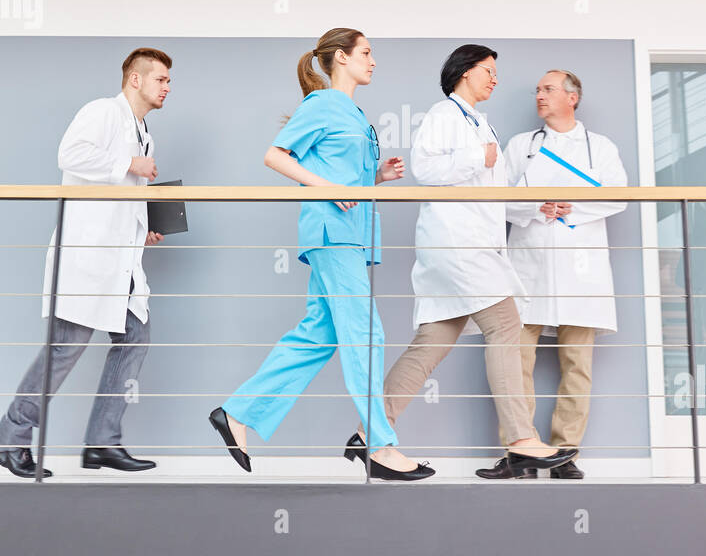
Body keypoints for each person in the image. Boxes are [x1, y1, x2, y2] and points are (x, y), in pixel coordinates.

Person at [209, 28, 434, 482]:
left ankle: (237, 413)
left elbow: (340, 178)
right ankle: (380, 445)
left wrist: (376, 176)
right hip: (335, 236)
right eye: (366, 53)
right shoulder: (325, 105)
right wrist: (326, 186)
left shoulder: (350, 110)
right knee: (365, 335)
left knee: (318, 335)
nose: (373, 61)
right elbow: (275, 155)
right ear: (340, 58)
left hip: (349, 235)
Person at [383, 44, 578, 478]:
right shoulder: (442, 116)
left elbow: (495, 195)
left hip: (468, 248)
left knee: (430, 344)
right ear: (464, 72)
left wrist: (535, 206)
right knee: (506, 325)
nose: (495, 79)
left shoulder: (479, 123)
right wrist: (478, 157)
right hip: (456, 247)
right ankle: (522, 440)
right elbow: (425, 171)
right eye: (487, 71)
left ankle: (370, 435)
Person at [0, 48, 172, 479]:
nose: (167, 88)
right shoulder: (102, 113)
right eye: (161, 80)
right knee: (64, 350)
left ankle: (101, 443)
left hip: (121, 264)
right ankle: (12, 438)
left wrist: (145, 226)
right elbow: (70, 156)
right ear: (135, 79)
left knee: (135, 336)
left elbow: (122, 197)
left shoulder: (144, 131)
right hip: (88, 259)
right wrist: (127, 164)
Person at [480, 69, 628, 482]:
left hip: (582, 269)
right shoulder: (521, 146)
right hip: (529, 265)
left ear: (572, 97)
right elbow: (498, 199)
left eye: (548, 90)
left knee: (577, 364)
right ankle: (519, 452)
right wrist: (534, 207)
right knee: (515, 361)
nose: (540, 96)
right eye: (538, 91)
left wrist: (572, 207)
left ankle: (564, 454)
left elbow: (620, 195)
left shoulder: (600, 147)